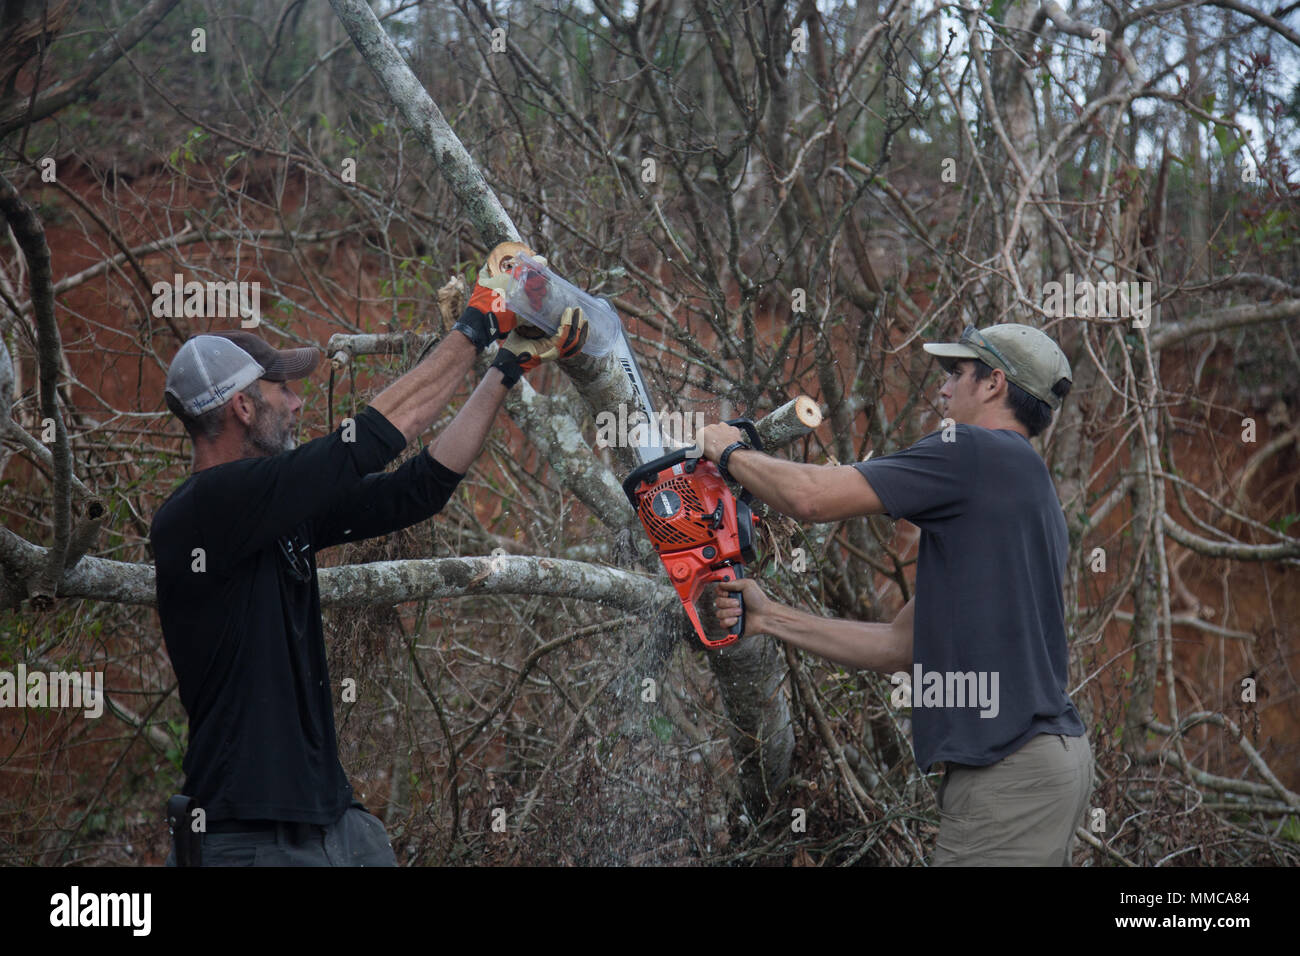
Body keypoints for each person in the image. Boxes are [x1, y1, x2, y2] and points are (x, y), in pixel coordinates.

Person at [152, 252, 587, 866]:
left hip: (336, 824)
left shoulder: (274, 509)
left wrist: (506, 367)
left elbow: (421, 487)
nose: (298, 403)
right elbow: (372, 436)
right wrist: (475, 327)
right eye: (282, 390)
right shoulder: (203, 511)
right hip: (246, 838)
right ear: (242, 408)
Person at [700, 323, 1092, 866]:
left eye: (956, 373)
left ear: (995, 383)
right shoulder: (1025, 489)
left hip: (1007, 774)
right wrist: (769, 618)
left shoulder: (974, 452)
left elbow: (811, 498)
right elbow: (897, 645)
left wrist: (729, 454)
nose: (943, 388)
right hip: (1046, 766)